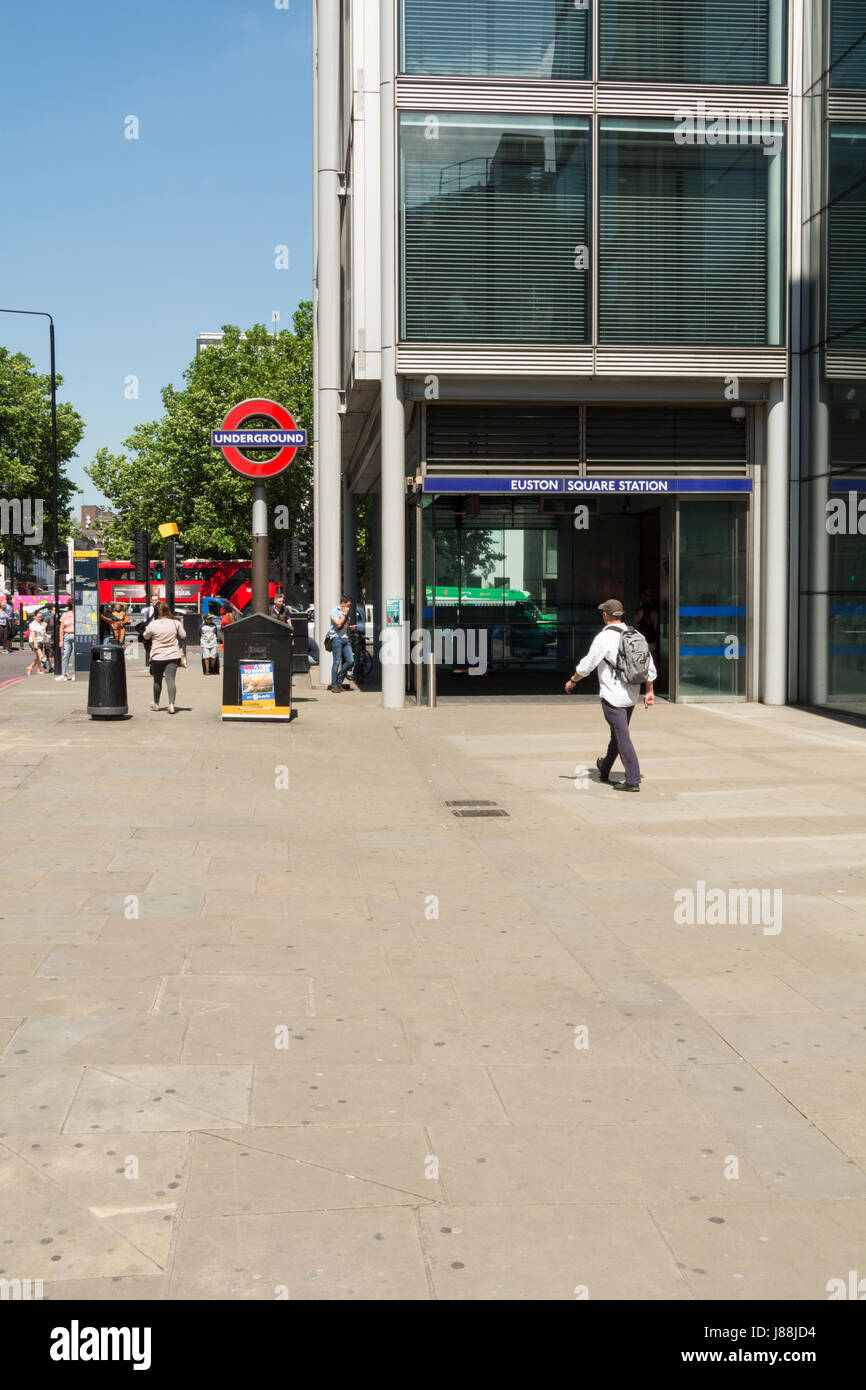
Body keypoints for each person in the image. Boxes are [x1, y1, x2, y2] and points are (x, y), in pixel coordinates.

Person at [565, 598, 656, 793]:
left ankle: (632, 779)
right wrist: (649, 690)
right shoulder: (636, 634)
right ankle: (604, 767)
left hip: (612, 695)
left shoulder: (603, 638)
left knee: (622, 736)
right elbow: (649, 665)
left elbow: (588, 665)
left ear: (606, 615)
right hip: (632, 695)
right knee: (618, 733)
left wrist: (573, 681)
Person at [143, 600, 186, 714]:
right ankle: (171, 705)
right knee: (170, 680)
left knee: (157, 681)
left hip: (157, 656)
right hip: (172, 655)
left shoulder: (153, 624)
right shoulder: (175, 623)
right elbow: (183, 635)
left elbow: (146, 637)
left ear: (157, 612)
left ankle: (156, 704)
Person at [328, 595, 356, 692]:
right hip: (336, 639)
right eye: (348, 605)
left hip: (345, 638)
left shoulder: (346, 612)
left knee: (350, 661)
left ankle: (339, 680)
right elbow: (338, 624)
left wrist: (350, 626)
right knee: (336, 661)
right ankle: (334, 685)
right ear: (343, 603)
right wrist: (345, 614)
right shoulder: (334, 611)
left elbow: (344, 624)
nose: (349, 607)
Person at [56, 599, 75, 681]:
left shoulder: (79, 613)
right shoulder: (66, 614)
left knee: (76, 656)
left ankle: (76, 674)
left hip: (76, 636)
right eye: (73, 603)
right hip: (67, 636)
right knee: (65, 656)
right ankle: (64, 674)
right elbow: (61, 628)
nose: (74, 605)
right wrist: (61, 640)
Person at [26, 611, 48, 676]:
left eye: (41, 617)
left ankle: (38, 670)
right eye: (38, 617)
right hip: (34, 641)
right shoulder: (33, 624)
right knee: (40, 656)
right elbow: (33, 634)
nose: (40, 618)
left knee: (38, 657)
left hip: (40, 641)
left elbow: (43, 632)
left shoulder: (41, 623)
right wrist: (35, 643)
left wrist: (47, 636)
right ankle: (30, 667)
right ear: (35, 617)